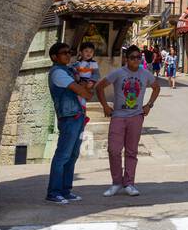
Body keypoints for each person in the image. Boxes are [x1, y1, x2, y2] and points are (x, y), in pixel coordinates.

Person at [94, 45, 162, 196]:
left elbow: (156, 88)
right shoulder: (118, 73)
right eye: (133, 57)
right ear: (126, 59)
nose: (136, 60)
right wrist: (105, 106)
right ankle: (116, 182)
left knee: (131, 152)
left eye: (139, 57)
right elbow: (99, 87)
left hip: (136, 116)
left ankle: (129, 183)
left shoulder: (145, 73)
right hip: (118, 116)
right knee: (114, 150)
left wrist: (149, 105)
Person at [45, 42, 95, 205]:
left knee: (72, 155)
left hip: (78, 115)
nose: (68, 55)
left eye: (69, 52)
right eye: (64, 53)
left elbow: (84, 85)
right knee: (63, 155)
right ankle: (54, 192)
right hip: (68, 117)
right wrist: (86, 92)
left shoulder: (69, 70)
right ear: (54, 57)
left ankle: (65, 190)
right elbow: (78, 89)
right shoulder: (57, 73)